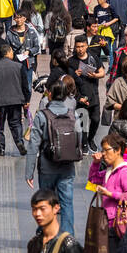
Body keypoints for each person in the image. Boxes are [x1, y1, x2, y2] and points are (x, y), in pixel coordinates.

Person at [24, 80, 82, 236]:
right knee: (66, 202)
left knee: (46, 201)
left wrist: (29, 172)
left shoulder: (42, 116)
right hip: (67, 166)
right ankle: (68, 235)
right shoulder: (73, 114)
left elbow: (33, 145)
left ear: (49, 94)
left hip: (47, 166)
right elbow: (79, 138)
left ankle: (46, 232)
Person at [0, 43, 30, 157]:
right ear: (9, 52)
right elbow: (25, 85)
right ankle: (19, 142)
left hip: (0, 101)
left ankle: (0, 149)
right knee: (16, 123)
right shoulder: (19, 66)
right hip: (16, 100)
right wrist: (26, 100)